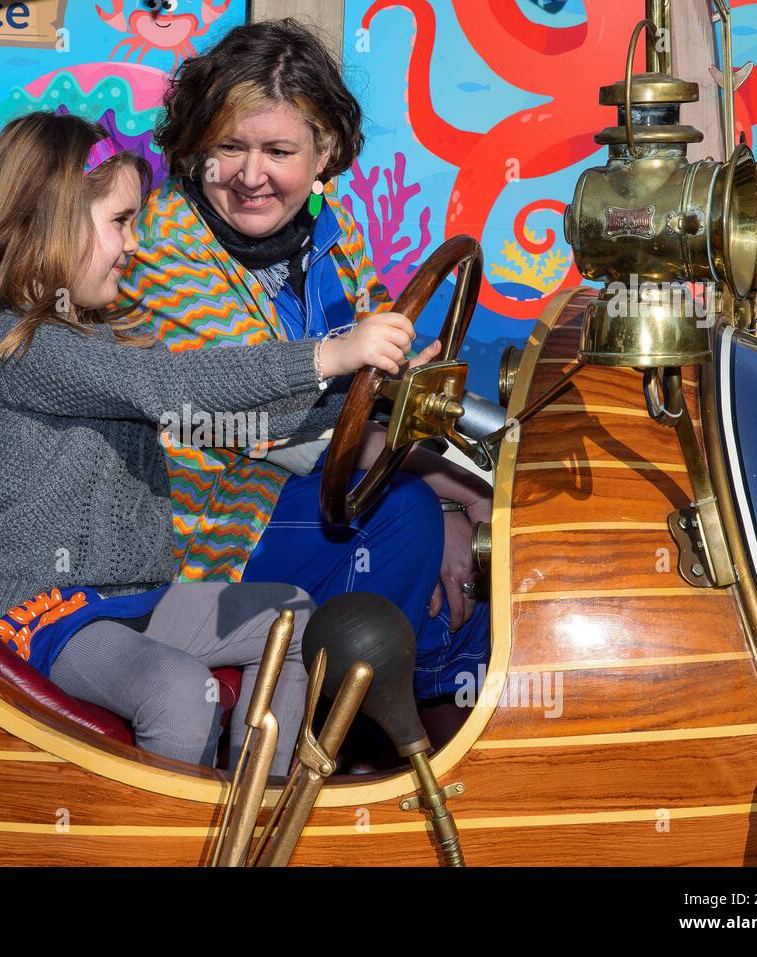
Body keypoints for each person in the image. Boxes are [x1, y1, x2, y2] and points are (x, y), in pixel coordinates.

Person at [0, 112, 437, 773]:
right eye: (121, 222)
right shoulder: (18, 344)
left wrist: (371, 394)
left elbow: (216, 417)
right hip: (42, 609)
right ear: (52, 222)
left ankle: (256, 814)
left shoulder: (98, 337)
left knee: (294, 618)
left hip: (128, 593)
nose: (134, 245)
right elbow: (173, 382)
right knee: (181, 692)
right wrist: (329, 354)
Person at [115, 18, 493, 703]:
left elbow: (371, 393)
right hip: (204, 528)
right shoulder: (166, 240)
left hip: (301, 486)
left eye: (278, 150)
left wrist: (461, 480)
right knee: (404, 514)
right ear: (196, 146)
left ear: (325, 152)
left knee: (499, 527)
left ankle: (463, 678)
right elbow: (269, 418)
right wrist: (445, 492)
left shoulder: (332, 229)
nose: (251, 175)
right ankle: (395, 704)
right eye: (228, 146)